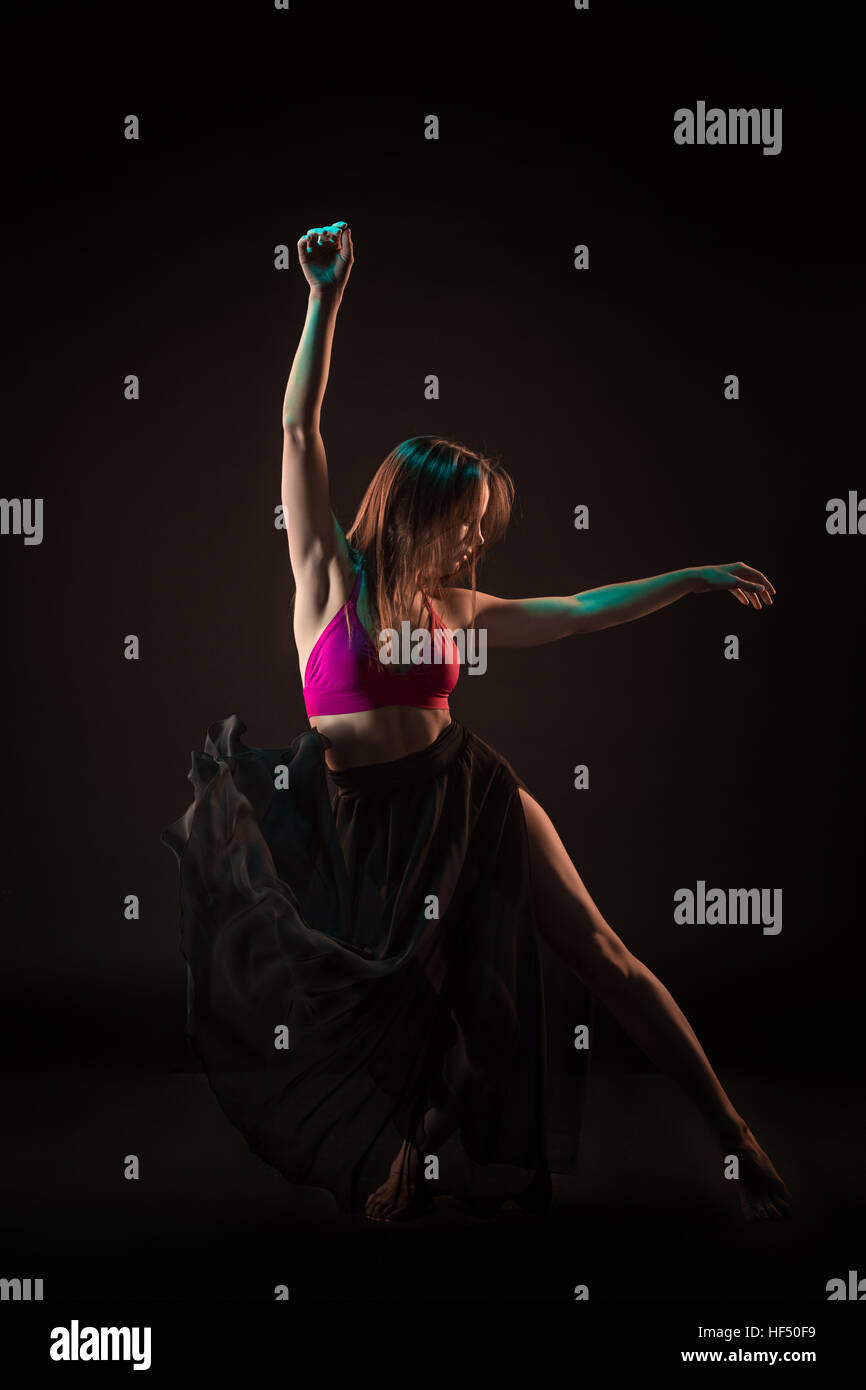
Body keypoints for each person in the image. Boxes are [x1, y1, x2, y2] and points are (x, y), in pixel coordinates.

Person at [162, 220, 793, 1226]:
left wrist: (691, 578)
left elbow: (580, 609)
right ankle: (406, 1149)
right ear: (417, 509)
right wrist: (323, 298)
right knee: (385, 1007)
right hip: (358, 821)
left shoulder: (455, 609)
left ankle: (734, 1136)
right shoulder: (328, 579)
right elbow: (297, 433)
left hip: (466, 797)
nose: (474, 540)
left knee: (601, 951)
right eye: (465, 521)